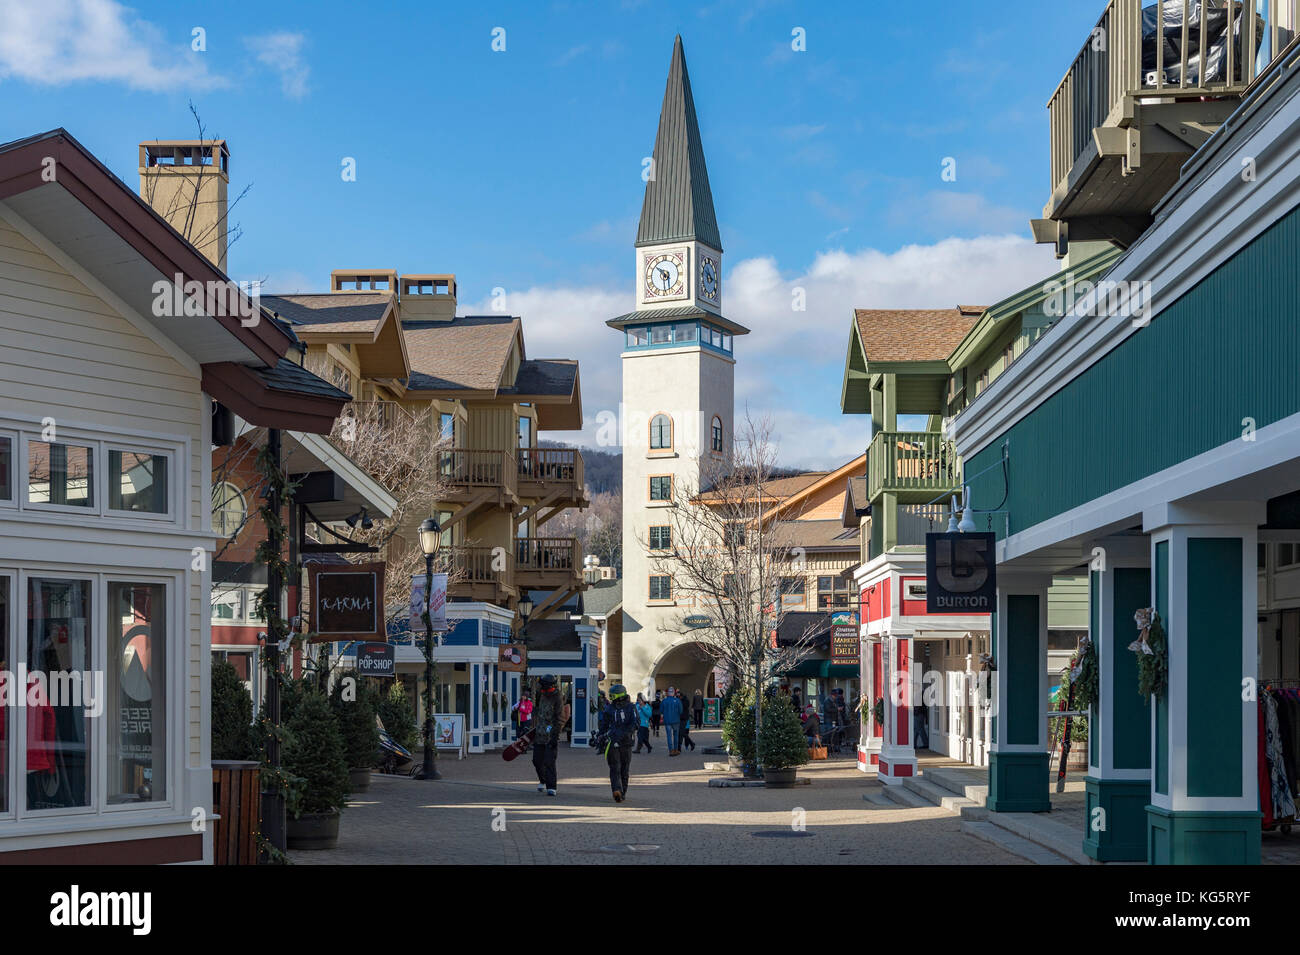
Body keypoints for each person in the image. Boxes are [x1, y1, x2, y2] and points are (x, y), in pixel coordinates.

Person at [599, 684, 639, 802]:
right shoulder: (609, 708)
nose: (611, 698)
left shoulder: (631, 708)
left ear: (620, 695)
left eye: (613, 695)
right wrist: (600, 735)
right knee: (614, 767)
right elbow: (604, 725)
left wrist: (625, 732)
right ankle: (616, 790)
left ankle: (623, 792)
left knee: (624, 768)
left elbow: (635, 723)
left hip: (626, 742)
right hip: (612, 741)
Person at [531, 675, 565, 796]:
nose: (540, 687)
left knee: (549, 761)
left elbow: (559, 718)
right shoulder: (542, 695)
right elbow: (539, 714)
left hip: (550, 732)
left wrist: (553, 735)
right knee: (536, 760)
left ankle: (551, 786)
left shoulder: (557, 697)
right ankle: (543, 780)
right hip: (539, 734)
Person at [661, 685, 683, 755]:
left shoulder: (664, 701)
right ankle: (676, 749)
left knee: (669, 736)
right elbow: (681, 711)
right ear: (673, 693)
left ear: (668, 693)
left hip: (667, 720)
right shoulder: (677, 700)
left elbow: (661, 710)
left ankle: (671, 750)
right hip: (676, 720)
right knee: (676, 735)